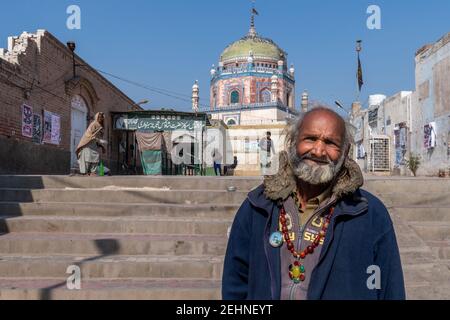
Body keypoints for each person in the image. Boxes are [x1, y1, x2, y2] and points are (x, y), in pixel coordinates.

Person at [222, 106, 405, 300]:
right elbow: (236, 282)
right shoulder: (257, 206)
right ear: (292, 143)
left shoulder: (368, 213)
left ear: (345, 152)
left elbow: (389, 288)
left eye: (330, 142)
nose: (318, 151)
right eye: (310, 139)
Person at [76, 112, 107, 176]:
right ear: (96, 117)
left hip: (94, 145)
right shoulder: (93, 124)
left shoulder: (100, 126)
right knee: (87, 157)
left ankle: (93, 172)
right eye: (99, 117)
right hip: (88, 144)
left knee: (95, 157)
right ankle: (85, 172)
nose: (101, 118)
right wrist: (99, 140)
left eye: (102, 117)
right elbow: (89, 134)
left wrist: (102, 146)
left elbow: (98, 136)